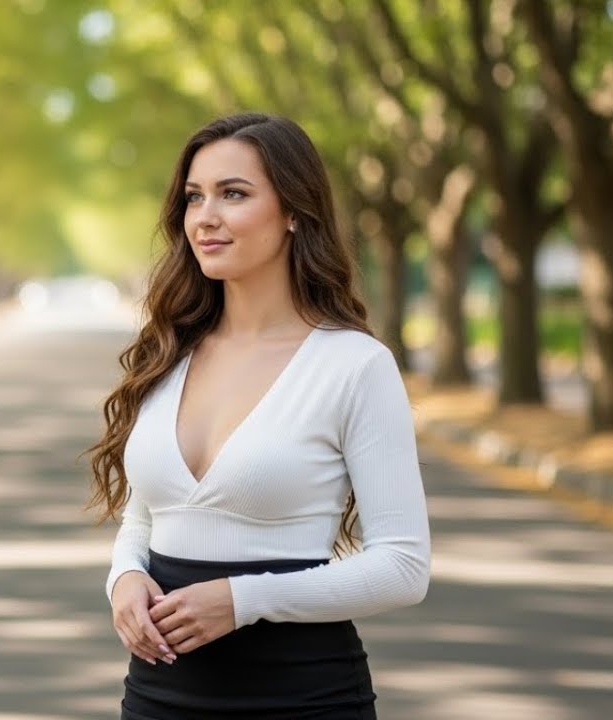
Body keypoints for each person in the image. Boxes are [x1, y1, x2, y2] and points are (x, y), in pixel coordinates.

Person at [88, 113, 432, 719]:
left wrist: (244, 600)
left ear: (294, 211)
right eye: (194, 196)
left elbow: (403, 567)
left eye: (234, 194)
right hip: (158, 697)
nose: (205, 216)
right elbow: (144, 519)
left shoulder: (354, 365)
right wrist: (123, 579)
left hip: (303, 698)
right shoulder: (168, 352)